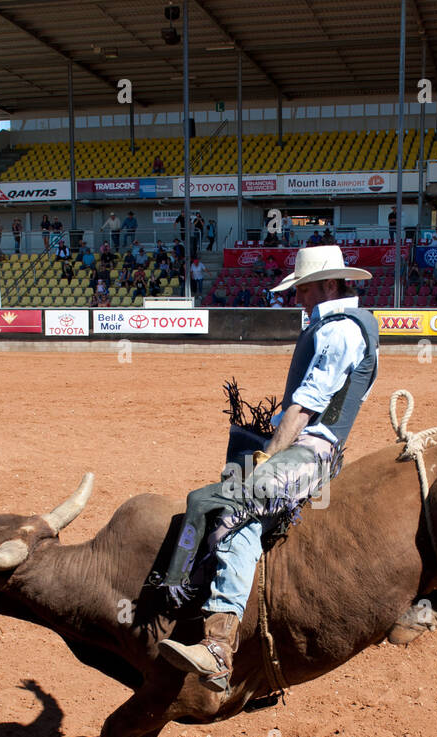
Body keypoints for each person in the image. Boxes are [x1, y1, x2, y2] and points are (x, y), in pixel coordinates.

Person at [155, 245, 378, 694]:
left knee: (236, 512)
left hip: (309, 453)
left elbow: (306, 404)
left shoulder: (338, 332)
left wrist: (269, 454)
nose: (298, 297)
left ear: (330, 285)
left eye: (304, 289)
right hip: (315, 446)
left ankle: (219, 648)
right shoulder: (354, 326)